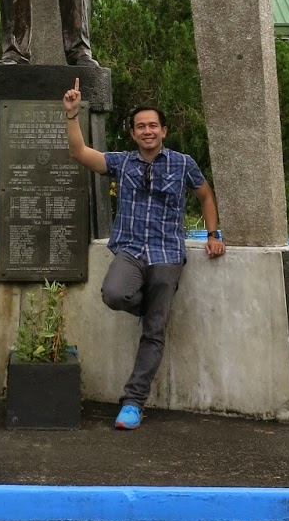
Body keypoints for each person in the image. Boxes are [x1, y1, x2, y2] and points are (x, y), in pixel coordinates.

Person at [63, 77, 225, 429]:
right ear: (133, 134)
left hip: (167, 255)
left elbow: (206, 196)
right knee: (114, 293)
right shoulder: (122, 162)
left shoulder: (183, 163)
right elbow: (80, 153)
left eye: (153, 125)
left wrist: (213, 234)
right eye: (141, 127)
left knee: (154, 331)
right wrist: (72, 116)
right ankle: (151, 310)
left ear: (163, 130)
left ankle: (133, 402)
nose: (147, 131)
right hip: (132, 252)